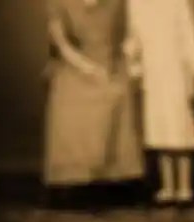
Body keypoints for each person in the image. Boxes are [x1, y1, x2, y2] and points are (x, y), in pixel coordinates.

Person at [42, 0, 144, 208]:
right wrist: (88, 68)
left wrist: (127, 58)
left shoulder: (117, 3)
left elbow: (130, 35)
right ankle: (73, 178)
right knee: (68, 94)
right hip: (76, 65)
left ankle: (115, 176)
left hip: (111, 63)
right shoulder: (58, 3)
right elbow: (61, 44)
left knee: (118, 90)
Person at [127, 0, 194, 205]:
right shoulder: (136, 4)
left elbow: (189, 36)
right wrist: (133, 64)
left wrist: (193, 72)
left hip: (176, 69)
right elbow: (134, 38)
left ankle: (185, 186)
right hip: (153, 72)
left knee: (180, 128)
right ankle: (168, 187)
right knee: (160, 130)